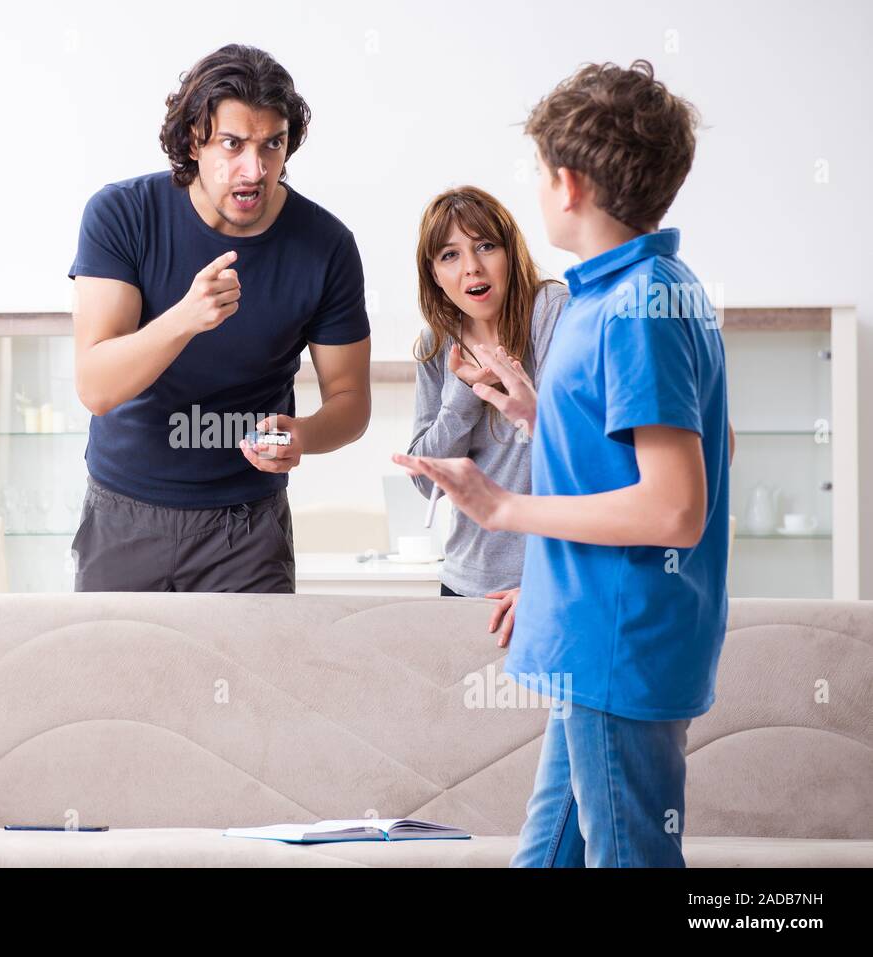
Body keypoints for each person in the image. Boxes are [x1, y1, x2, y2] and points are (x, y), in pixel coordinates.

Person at [395, 60, 730, 867]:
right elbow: (615, 469)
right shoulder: (628, 293)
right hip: (595, 634)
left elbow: (673, 506)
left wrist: (505, 509)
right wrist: (533, 426)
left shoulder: (633, 306)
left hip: (617, 643)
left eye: (541, 170)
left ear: (568, 183)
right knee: (543, 858)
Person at [67, 43, 371, 593]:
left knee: (254, 681)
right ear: (192, 141)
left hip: (247, 528)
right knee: (114, 679)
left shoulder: (326, 245)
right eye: (232, 145)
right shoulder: (122, 215)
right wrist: (184, 318)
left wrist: (303, 434)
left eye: (271, 146)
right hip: (123, 516)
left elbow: (351, 402)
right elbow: (96, 387)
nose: (253, 170)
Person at [407, 186, 567, 635]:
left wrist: (545, 581)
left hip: (543, 585)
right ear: (435, 275)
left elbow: (577, 452)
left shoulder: (551, 312)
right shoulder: (435, 344)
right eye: (450, 255)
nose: (472, 267)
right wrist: (463, 394)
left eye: (485, 246)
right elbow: (426, 482)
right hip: (464, 584)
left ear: (509, 253)